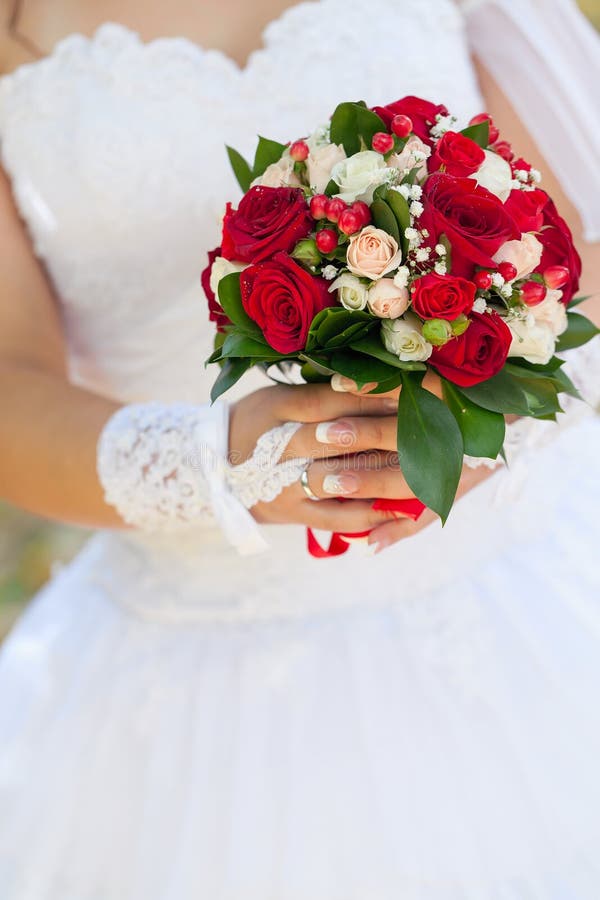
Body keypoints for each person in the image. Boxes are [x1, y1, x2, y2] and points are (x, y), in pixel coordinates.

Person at [0, 0, 598, 896]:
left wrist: (496, 417)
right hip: (198, 670)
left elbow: (572, 254)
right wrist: (212, 463)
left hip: (530, 590)